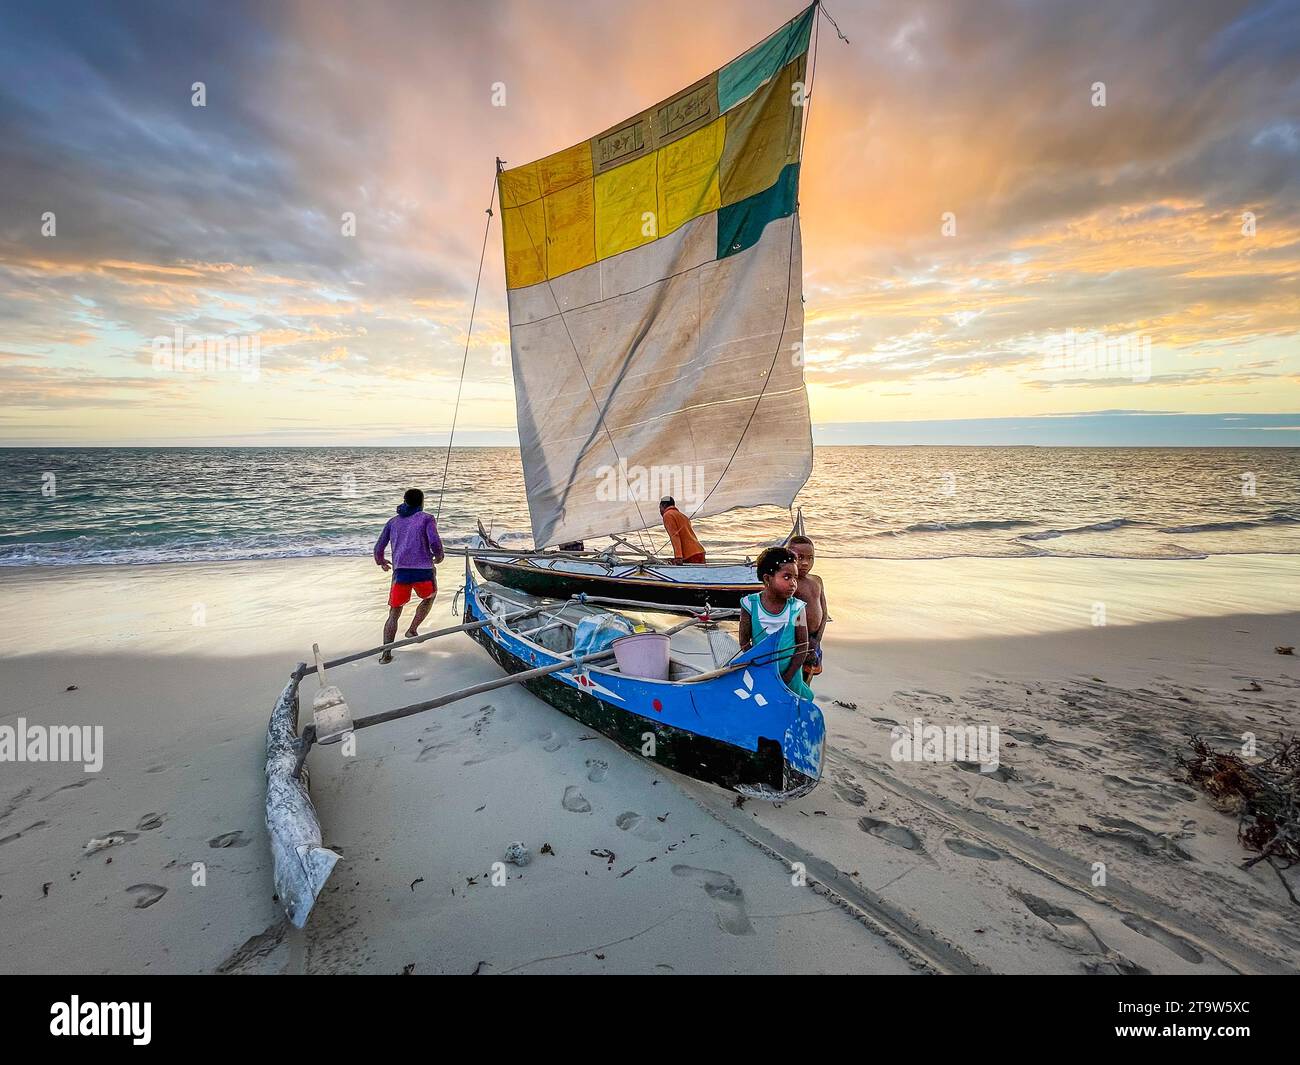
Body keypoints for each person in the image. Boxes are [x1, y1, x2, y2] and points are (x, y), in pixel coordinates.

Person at [374, 488, 444, 664]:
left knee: (394, 612)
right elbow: (434, 541)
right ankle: (412, 629)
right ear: (421, 502)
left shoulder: (393, 522)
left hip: (400, 573)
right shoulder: (426, 518)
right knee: (430, 597)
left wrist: (381, 561)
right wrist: (439, 554)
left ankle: (386, 654)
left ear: (404, 501)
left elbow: (378, 547)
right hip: (423, 571)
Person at [738, 546, 815, 700]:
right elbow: (744, 642)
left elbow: (802, 646)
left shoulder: (796, 608)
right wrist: (757, 667)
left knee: (792, 703)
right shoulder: (750, 605)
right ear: (767, 579)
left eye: (795, 577)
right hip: (760, 671)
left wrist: (787, 677)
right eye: (787, 577)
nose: (793, 583)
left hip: (790, 674)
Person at [788, 534, 826, 682]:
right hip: (797, 640)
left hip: (814, 638)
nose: (805, 563)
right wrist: (803, 642)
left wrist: (817, 638)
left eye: (810, 558)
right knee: (794, 675)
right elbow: (794, 614)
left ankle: (803, 702)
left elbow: (824, 611)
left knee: (808, 674)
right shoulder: (791, 583)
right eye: (800, 557)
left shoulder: (817, 580)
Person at [659, 495, 705, 564]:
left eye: (660, 508)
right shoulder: (682, 516)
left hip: (691, 555)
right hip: (699, 552)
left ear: (664, 505)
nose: (660, 511)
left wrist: (678, 557)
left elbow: (675, 536)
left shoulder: (668, 515)